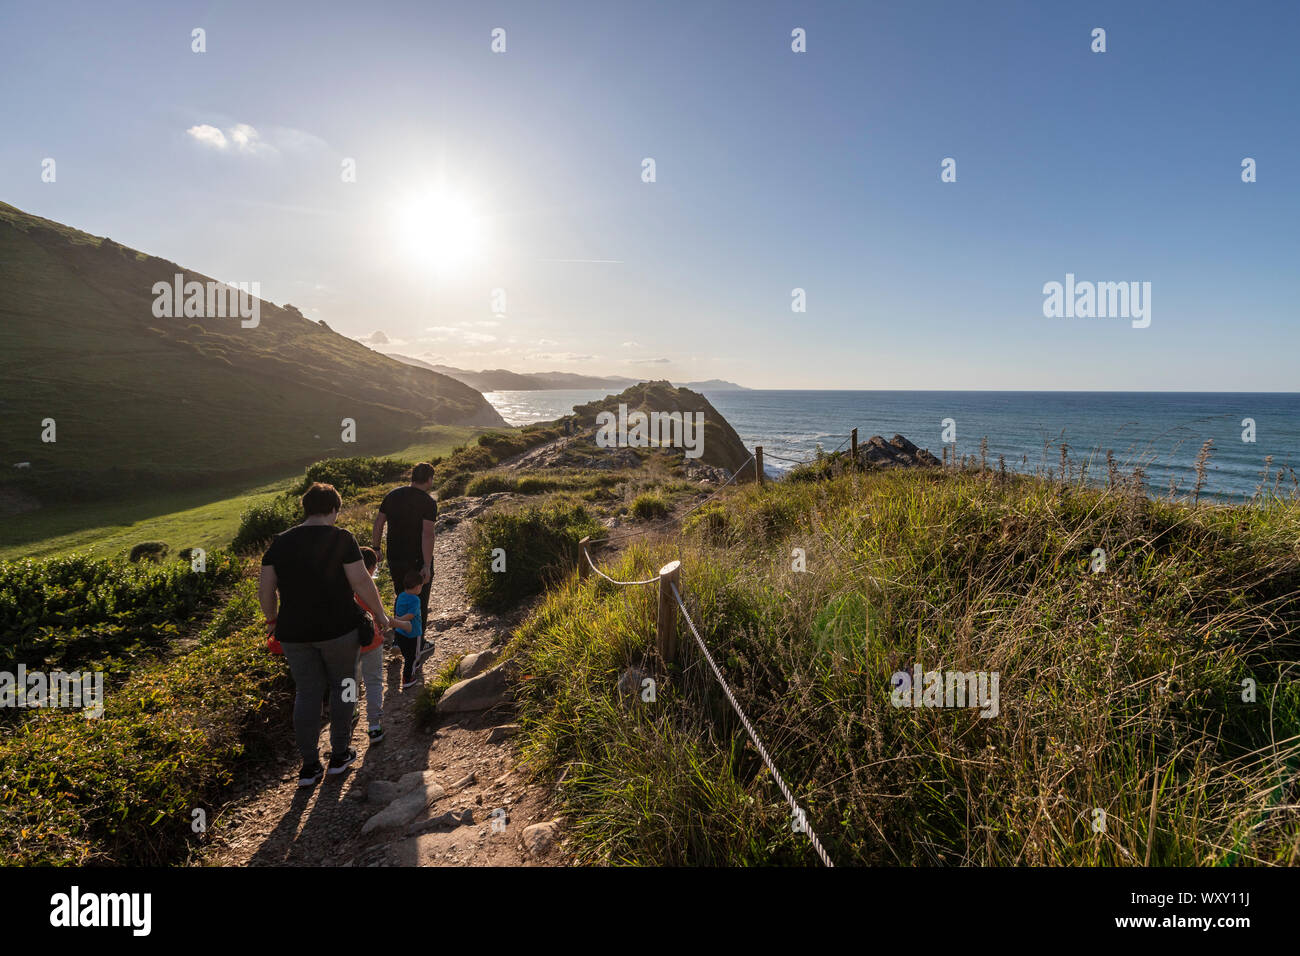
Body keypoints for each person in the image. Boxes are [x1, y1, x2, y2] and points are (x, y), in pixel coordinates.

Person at [259, 482, 393, 787]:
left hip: (294, 632)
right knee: (344, 686)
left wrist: (272, 619)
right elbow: (361, 582)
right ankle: (339, 754)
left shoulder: (279, 542)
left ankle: (308, 766)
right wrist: (380, 615)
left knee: (307, 693)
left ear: (305, 508)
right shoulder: (341, 538)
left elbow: (265, 590)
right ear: (334, 509)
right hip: (339, 628)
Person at [373, 462, 438, 655]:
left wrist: (376, 548)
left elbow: (379, 523)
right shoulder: (427, 502)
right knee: (419, 599)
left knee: (401, 595)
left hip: (395, 557)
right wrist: (426, 564)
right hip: (416, 559)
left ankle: (398, 641)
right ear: (429, 479)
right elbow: (428, 534)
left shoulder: (392, 495)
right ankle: (419, 643)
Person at [354, 546, 386, 743]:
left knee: (351, 681)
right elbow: (379, 615)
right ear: (372, 567)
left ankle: (352, 711)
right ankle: (374, 725)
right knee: (373, 681)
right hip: (371, 640)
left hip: (348, 643)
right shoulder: (369, 588)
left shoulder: (343, 587)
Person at [391, 568, 426, 689]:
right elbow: (411, 615)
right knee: (413, 655)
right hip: (413, 633)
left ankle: (412, 666)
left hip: (400, 632)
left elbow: (398, 611)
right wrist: (399, 621)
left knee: (407, 653)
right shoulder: (415, 599)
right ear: (417, 587)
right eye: (421, 586)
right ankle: (407, 678)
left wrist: (397, 621)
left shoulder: (401, 595)